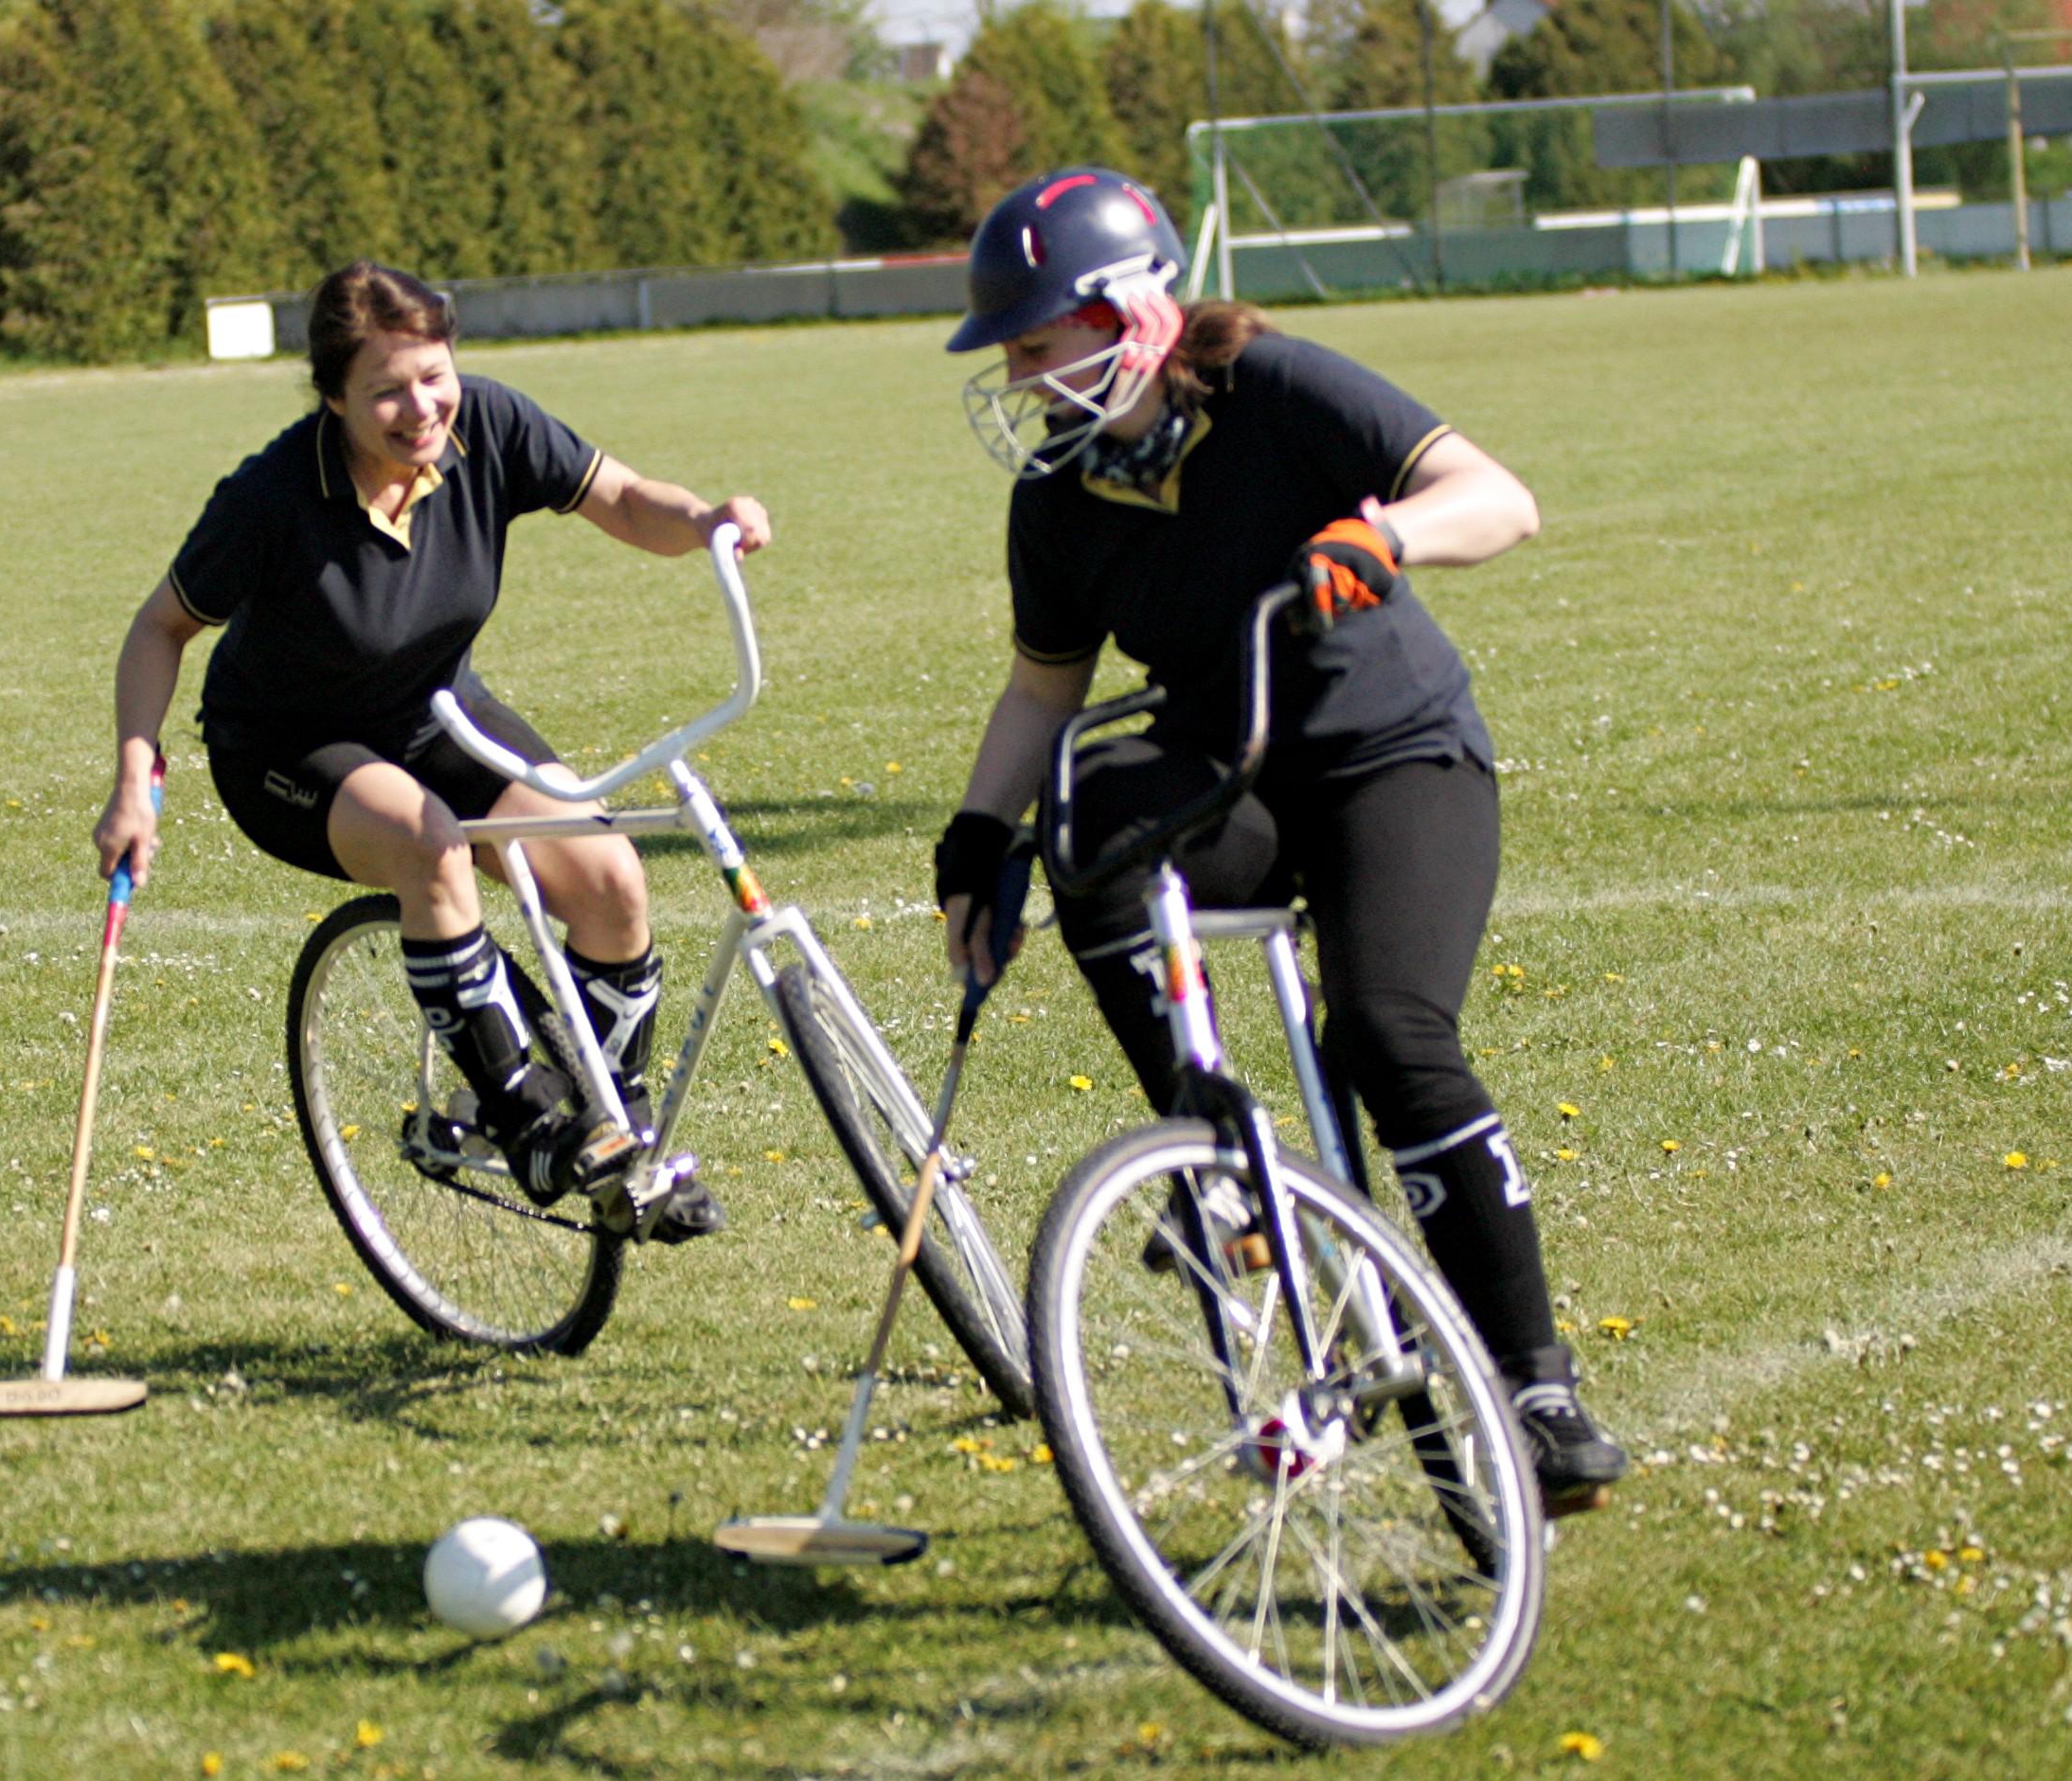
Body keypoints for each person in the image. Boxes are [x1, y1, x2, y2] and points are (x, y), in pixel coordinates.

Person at [930, 169, 1628, 1512]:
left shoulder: (1282, 390)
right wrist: (973, 836)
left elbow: (1498, 497)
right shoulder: (1056, 502)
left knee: (1386, 1033)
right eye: (1008, 350)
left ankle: (1533, 1382)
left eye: (1032, 341)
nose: (1016, 376)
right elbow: (1041, 689)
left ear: (1129, 312)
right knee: (1088, 830)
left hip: (1392, 759)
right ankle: (1218, 1161)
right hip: (1231, 772)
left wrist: (1384, 532)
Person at [94, 260, 765, 1242]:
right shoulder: (272, 497)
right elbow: (159, 629)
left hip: (435, 712)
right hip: (288, 745)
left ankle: (613, 1139)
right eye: (387, 391)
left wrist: (706, 519)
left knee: (611, 878)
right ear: (333, 397)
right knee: (432, 846)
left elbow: (621, 498)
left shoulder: (486, 425)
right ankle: (530, 1121)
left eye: (434, 375)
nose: (422, 408)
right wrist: (133, 782)